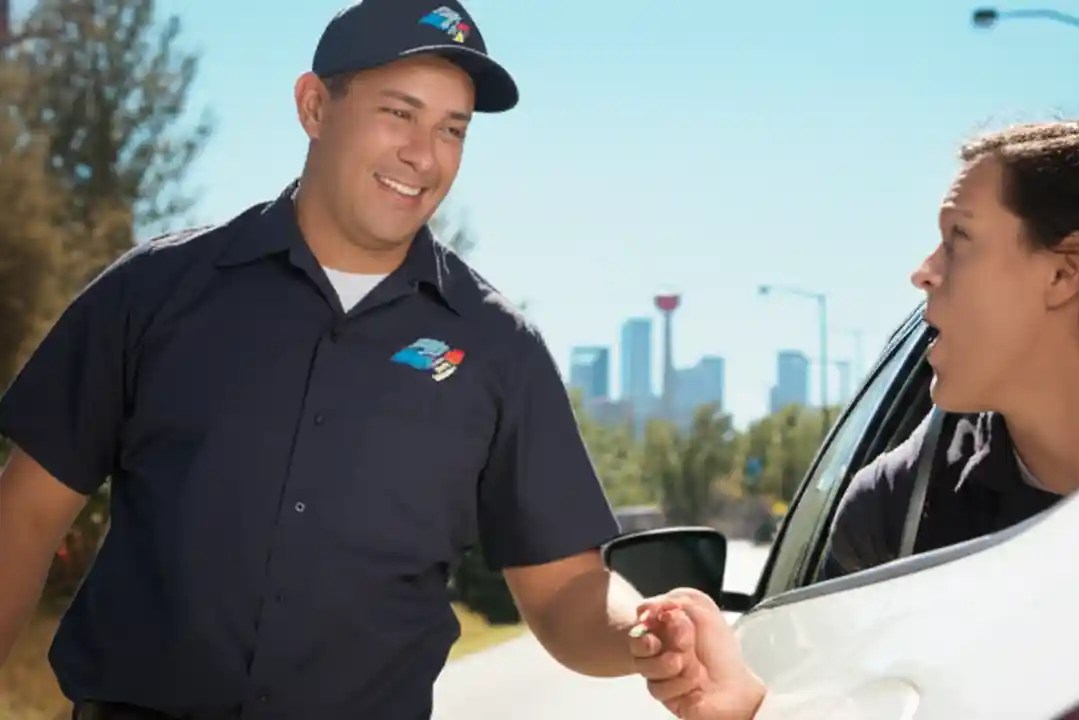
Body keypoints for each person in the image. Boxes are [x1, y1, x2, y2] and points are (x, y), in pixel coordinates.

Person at [0, 2, 694, 718]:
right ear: (314, 106)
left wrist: (644, 632)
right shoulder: (152, 291)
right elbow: (23, 520)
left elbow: (567, 589)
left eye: (452, 129)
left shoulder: (500, 350)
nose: (424, 155)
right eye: (398, 113)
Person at [630, 119, 1079, 719]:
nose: (923, 273)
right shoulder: (897, 510)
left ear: (1065, 270)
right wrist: (749, 710)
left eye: (958, 239)